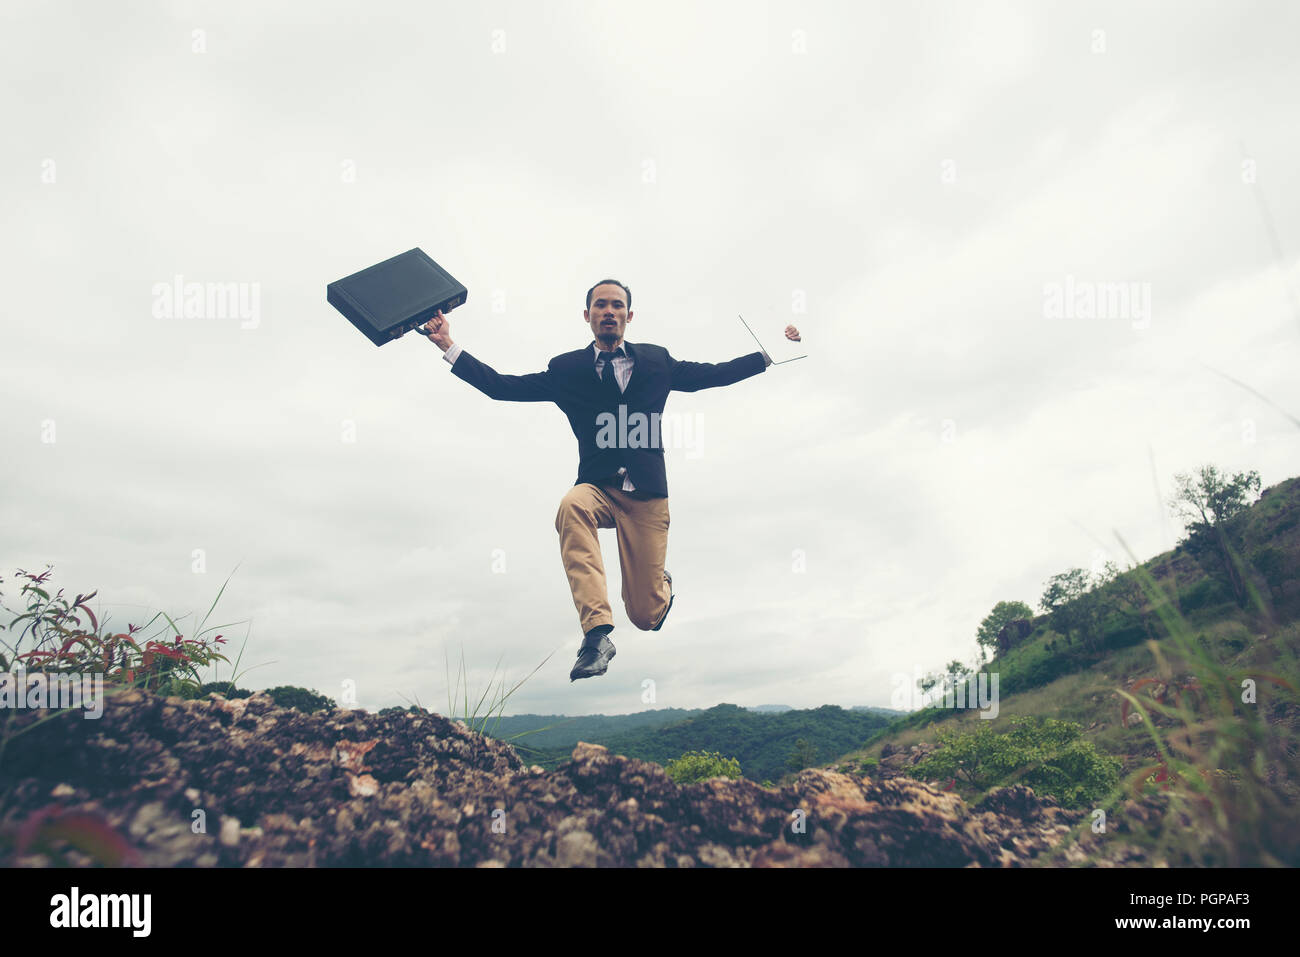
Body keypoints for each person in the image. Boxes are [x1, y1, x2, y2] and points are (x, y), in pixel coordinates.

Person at [423, 279, 801, 682]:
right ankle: (597, 634)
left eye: (617, 305)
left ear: (629, 316)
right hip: (598, 488)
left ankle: (660, 586)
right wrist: (448, 344)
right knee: (572, 505)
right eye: (600, 305)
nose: (609, 311)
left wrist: (770, 353)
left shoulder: (657, 361)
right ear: (587, 316)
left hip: (647, 497)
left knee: (645, 615)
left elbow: (713, 374)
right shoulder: (566, 370)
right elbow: (501, 387)